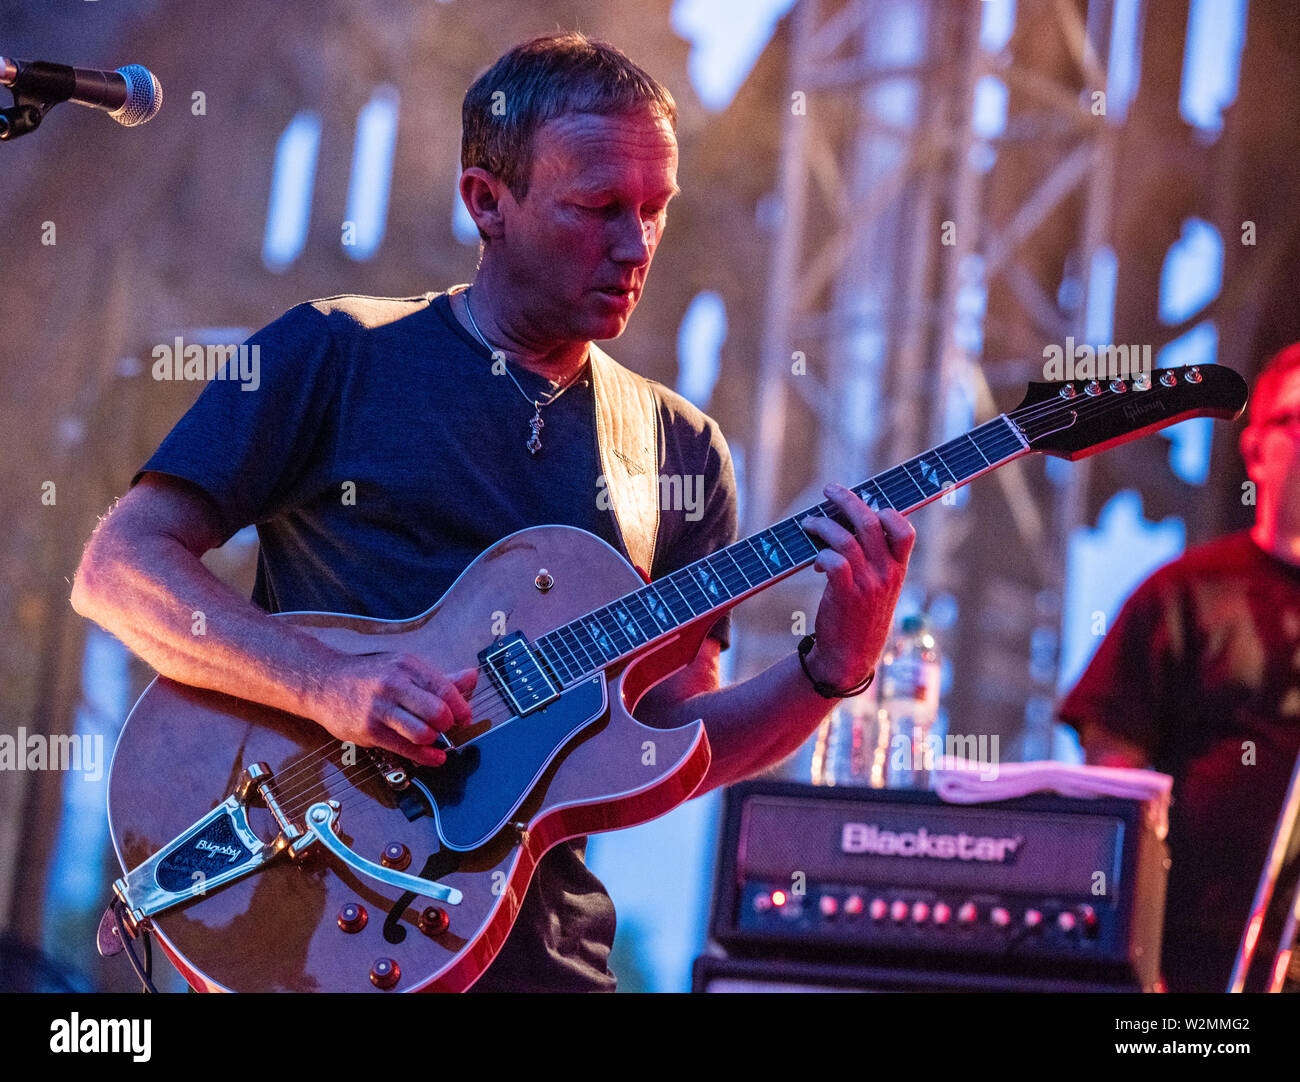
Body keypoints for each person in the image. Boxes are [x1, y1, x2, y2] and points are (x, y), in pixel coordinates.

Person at [70, 33, 913, 992]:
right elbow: (119, 572)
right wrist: (327, 685)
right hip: (312, 915)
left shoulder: (679, 450)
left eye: (655, 208)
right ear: (486, 201)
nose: (635, 244)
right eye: (596, 208)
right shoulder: (335, 352)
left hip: (542, 955)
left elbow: (676, 742)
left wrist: (835, 667)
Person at [1058, 344, 1300, 992]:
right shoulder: (1186, 592)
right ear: (1257, 449)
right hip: (1196, 962)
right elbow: (1114, 770)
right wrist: (1133, 954)